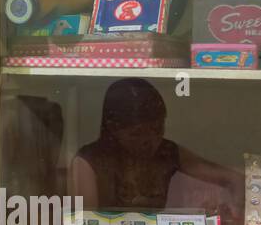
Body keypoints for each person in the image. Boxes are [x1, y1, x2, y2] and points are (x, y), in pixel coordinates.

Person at [69, 78, 240, 210]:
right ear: (113, 129)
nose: (149, 141)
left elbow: (231, 178)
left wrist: (232, 205)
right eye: (136, 133)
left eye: (157, 129)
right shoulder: (89, 161)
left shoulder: (167, 151)